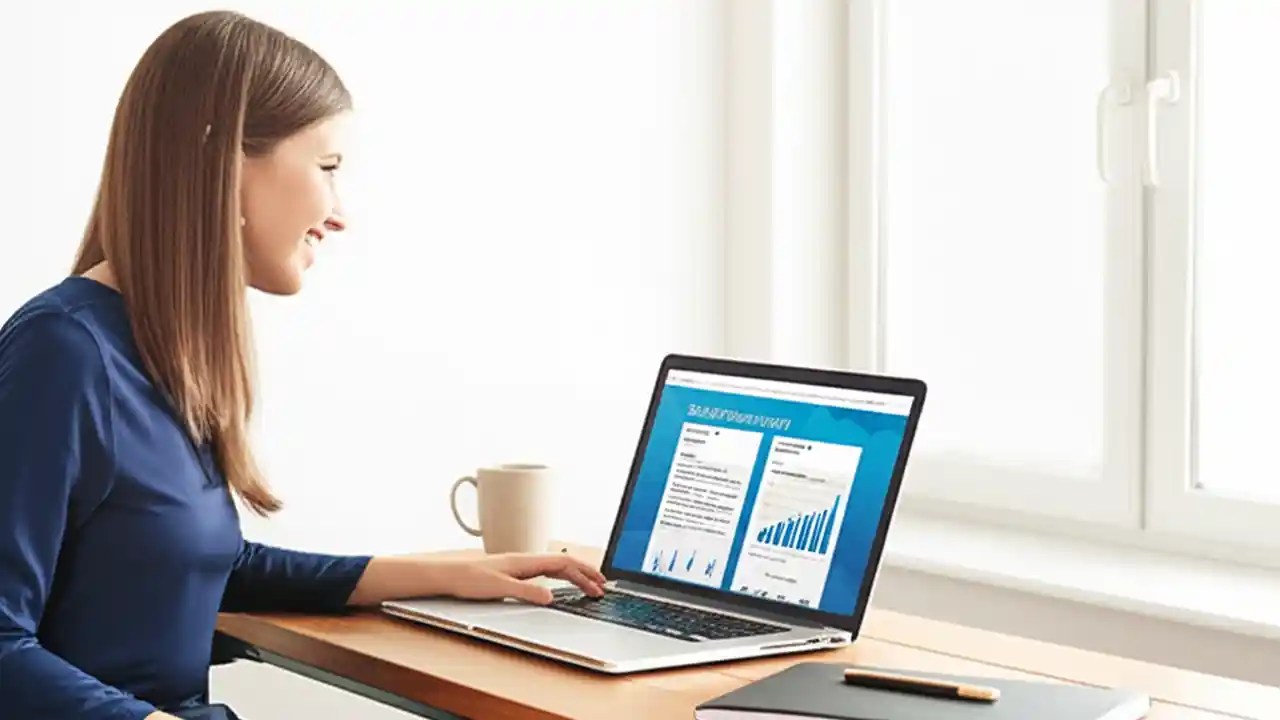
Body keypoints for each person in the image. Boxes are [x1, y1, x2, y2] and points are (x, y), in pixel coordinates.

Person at [0, 10, 606, 720]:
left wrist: (441, 575)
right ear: (222, 161)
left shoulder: (160, 347)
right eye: (327, 169)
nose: (338, 213)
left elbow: (194, 565)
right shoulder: (64, 353)